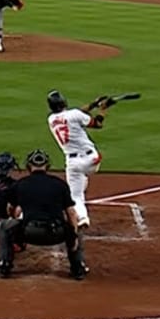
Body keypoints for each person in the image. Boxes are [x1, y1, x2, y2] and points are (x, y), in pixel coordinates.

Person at [0, 149, 88, 280]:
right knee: (76, 227)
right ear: (47, 165)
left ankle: (4, 264)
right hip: (57, 233)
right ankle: (78, 268)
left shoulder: (20, 184)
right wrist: (73, 236)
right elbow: (71, 213)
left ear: (28, 166)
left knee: (6, 226)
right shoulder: (60, 184)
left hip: (30, 233)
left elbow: (10, 208)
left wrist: (15, 220)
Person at [46, 89, 110, 231]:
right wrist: (103, 109)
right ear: (64, 102)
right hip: (92, 160)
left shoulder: (51, 119)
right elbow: (97, 124)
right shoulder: (74, 114)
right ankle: (82, 212)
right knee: (82, 180)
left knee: (76, 195)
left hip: (74, 164)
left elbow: (76, 114)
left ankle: (83, 218)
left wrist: (93, 104)